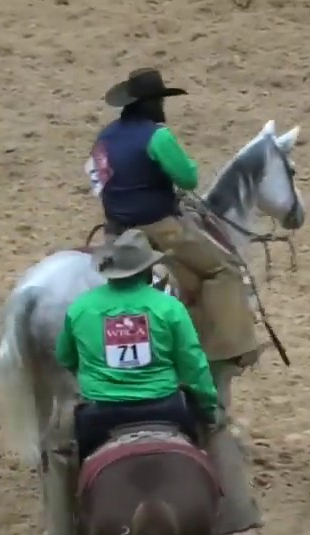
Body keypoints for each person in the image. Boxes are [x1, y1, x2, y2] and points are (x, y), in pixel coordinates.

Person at [47, 230, 221, 535]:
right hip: (167, 409)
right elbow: (194, 365)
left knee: (58, 454)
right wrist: (210, 406)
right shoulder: (168, 307)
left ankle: (61, 532)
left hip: (99, 417)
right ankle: (229, 514)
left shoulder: (81, 308)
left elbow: (65, 358)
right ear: (146, 270)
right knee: (220, 437)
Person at [86, 67, 262, 373]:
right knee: (225, 269)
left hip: (115, 230)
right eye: (159, 101)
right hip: (158, 227)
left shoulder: (105, 137)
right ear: (149, 104)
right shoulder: (157, 136)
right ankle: (229, 351)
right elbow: (188, 178)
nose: (162, 108)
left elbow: (97, 179)